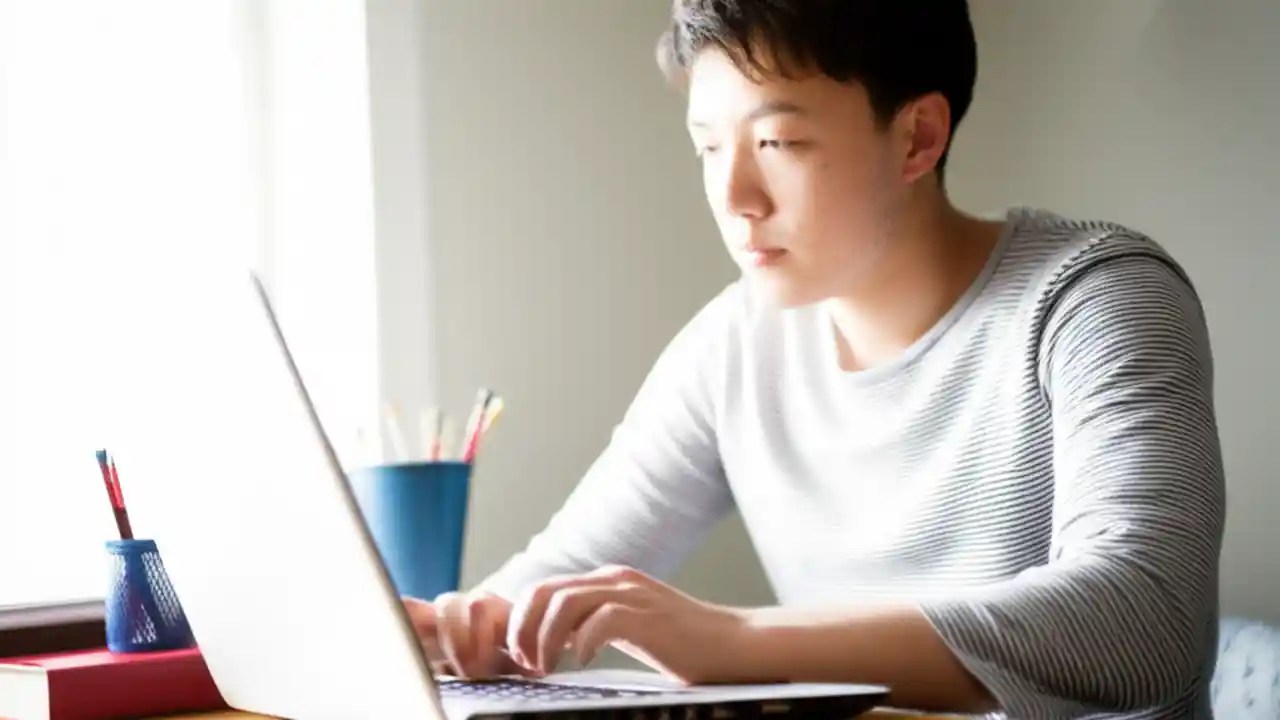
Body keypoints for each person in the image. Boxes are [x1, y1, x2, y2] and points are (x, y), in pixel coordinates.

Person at [403, 1, 1226, 717]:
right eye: (707, 148)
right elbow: (556, 582)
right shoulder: (734, 347)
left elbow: (1146, 617)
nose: (734, 199)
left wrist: (731, 641)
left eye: (778, 141)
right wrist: (460, 630)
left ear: (918, 136)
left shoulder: (1091, 299)